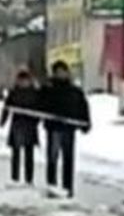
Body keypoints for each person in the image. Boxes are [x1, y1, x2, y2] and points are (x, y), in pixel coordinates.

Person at [38, 61, 90, 197]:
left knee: (68, 159)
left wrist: (85, 123)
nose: (61, 74)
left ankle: (68, 187)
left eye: (63, 71)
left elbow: (82, 107)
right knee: (52, 158)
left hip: (69, 128)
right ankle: (52, 185)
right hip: (53, 128)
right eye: (58, 72)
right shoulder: (48, 89)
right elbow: (39, 105)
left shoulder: (74, 91)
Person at [0, 69, 40, 184]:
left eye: (25, 80)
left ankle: (29, 178)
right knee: (16, 153)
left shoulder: (34, 93)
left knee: (29, 153)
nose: (23, 83)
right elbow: (7, 106)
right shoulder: (14, 93)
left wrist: (36, 120)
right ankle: (15, 177)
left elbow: (38, 108)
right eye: (21, 81)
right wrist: (3, 120)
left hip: (29, 125)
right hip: (17, 125)